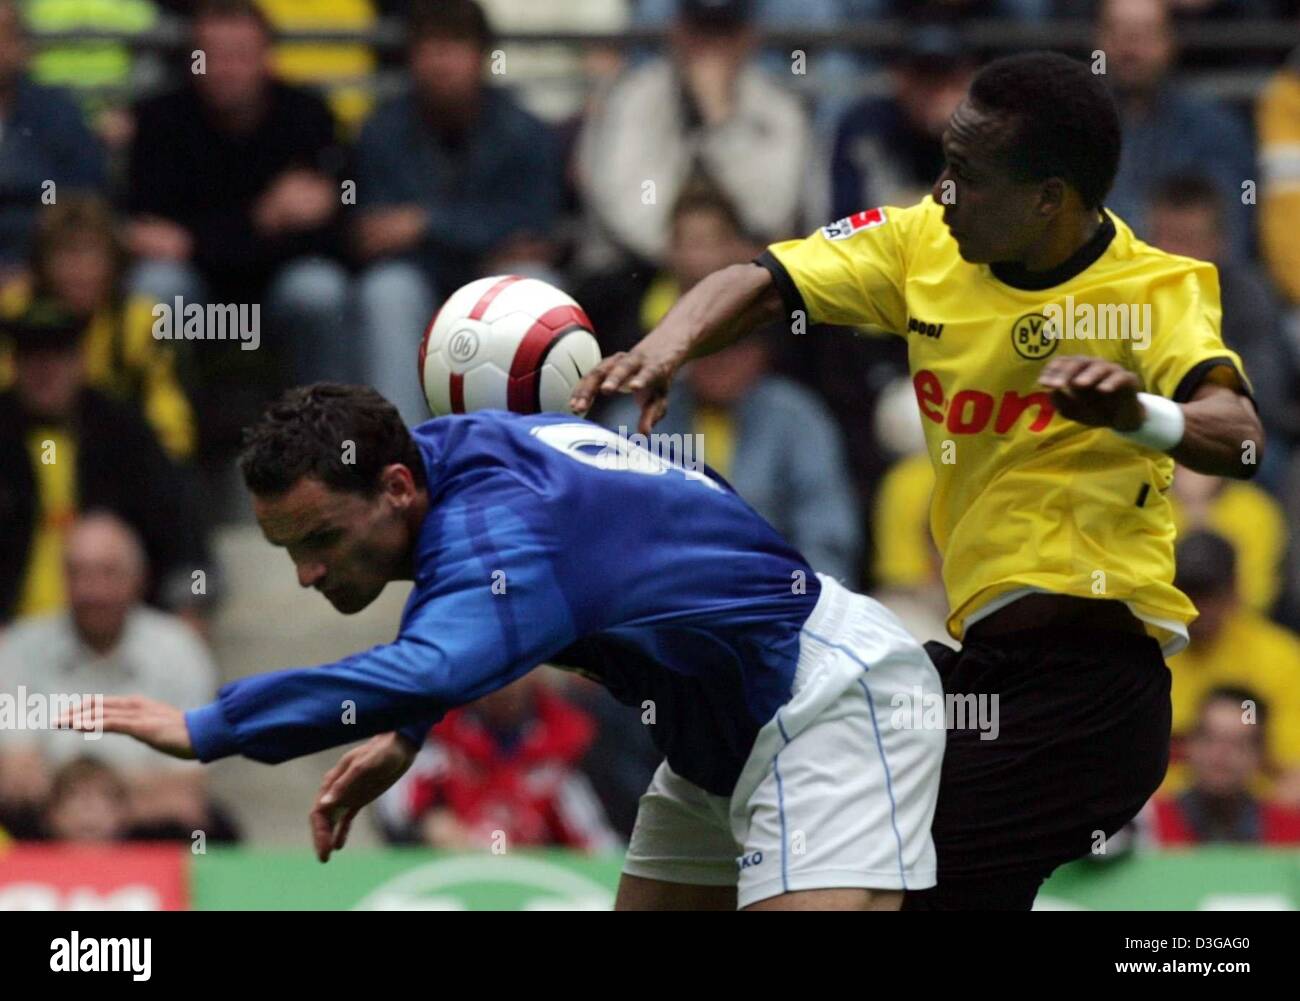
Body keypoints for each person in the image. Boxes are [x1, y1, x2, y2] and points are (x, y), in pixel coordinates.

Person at [571, 51, 1265, 910]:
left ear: (1049, 197)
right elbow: (763, 280)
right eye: (945, 162)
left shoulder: (1153, 291)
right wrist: (665, 344)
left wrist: (1142, 416)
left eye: (968, 176)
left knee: (858, 865)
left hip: (1092, 697)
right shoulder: (922, 246)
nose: (941, 190)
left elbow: (1239, 439)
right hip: (978, 672)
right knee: (794, 763)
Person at [64, 383, 945, 912]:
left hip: (820, 701)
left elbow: (441, 653)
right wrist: (410, 731)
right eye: (288, 548)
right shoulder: (451, 451)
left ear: (395, 488)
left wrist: (210, 724)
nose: (305, 573)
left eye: (320, 539)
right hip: (714, 731)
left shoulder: (509, 531)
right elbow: (461, 627)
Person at [353, 0, 565, 423]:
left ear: (482, 57)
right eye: (429, 48)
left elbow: (537, 233)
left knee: (532, 286)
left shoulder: (525, 131)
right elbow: (372, 237)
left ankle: (515, 451)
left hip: (490, 282)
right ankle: (403, 455)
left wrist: (423, 223)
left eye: (453, 47)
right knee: (386, 290)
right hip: (417, 280)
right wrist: (480, 236)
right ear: (411, 56)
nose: (440, 63)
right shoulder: (381, 130)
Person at [0, 514, 226, 839]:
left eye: (108, 573)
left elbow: (186, 791)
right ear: (63, 579)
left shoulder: (180, 650)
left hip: (147, 833)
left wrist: (79, 798)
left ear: (139, 579)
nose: (93, 590)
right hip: (42, 830)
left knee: (212, 831)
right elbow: (16, 781)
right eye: (79, 573)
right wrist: (131, 790)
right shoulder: (20, 648)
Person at [0, 306, 213, 626]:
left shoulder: (125, 431)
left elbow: (185, 538)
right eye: (31, 357)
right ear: (13, 366)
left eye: (57, 356)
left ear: (81, 363)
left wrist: (191, 605)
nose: (44, 370)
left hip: (121, 636)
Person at [1165, 531, 1300, 806]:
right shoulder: (1147, 653)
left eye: (1209, 594)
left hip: (1253, 819)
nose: (1198, 608)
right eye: (1189, 593)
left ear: (1234, 590)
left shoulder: (1279, 657)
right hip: (1160, 820)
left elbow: (1293, 771)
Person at [1145, 687, 1300, 847]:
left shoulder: (1291, 835)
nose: (1220, 755)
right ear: (1189, 745)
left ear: (1259, 754)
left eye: (1238, 743)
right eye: (1209, 739)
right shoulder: (1148, 827)